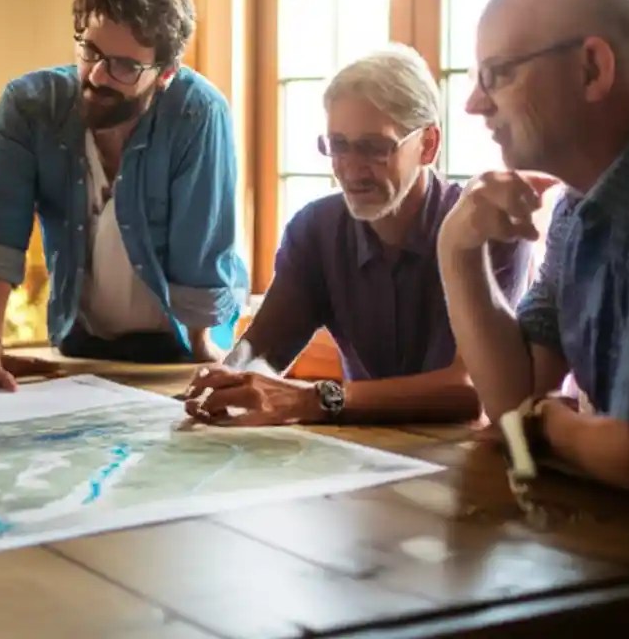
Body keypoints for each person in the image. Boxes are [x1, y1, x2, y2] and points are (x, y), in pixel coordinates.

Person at [0, 0, 249, 397]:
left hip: (180, 341)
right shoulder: (29, 107)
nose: (97, 76)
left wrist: (202, 348)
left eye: (124, 67)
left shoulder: (199, 112)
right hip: (83, 342)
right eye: (90, 51)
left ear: (165, 74)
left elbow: (203, 243)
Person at [183, 45, 533, 426]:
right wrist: (232, 380)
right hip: (363, 449)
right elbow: (266, 347)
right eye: (338, 146)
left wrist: (317, 399)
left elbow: (471, 389)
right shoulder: (316, 229)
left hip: (467, 456)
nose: (350, 169)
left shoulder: (486, 227)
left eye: (374, 148)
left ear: (428, 145)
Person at [438, 0, 629, 494]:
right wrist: (457, 251)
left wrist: (550, 424)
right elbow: (513, 400)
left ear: (591, 69)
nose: (474, 103)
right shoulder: (575, 206)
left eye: (499, 74)